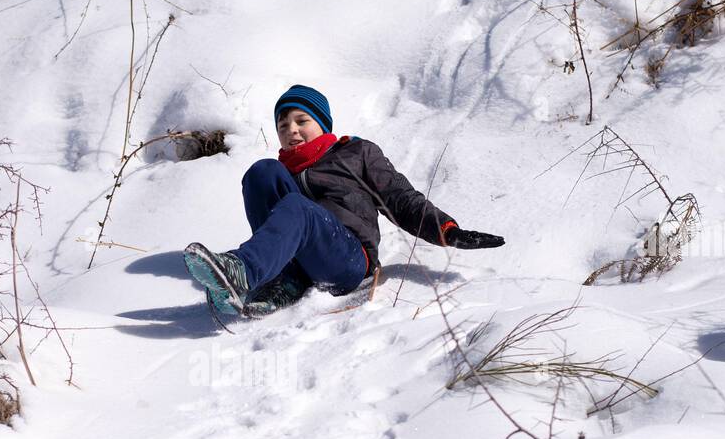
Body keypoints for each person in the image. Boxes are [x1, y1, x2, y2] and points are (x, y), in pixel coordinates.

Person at [183, 84, 505, 317]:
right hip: (304, 260)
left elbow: (400, 198)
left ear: (321, 124)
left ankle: (243, 273)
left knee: (298, 209)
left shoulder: (356, 153)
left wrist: (448, 230)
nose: (291, 130)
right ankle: (286, 279)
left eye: (300, 120)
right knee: (260, 173)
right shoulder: (281, 175)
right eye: (282, 125)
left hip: (350, 259)